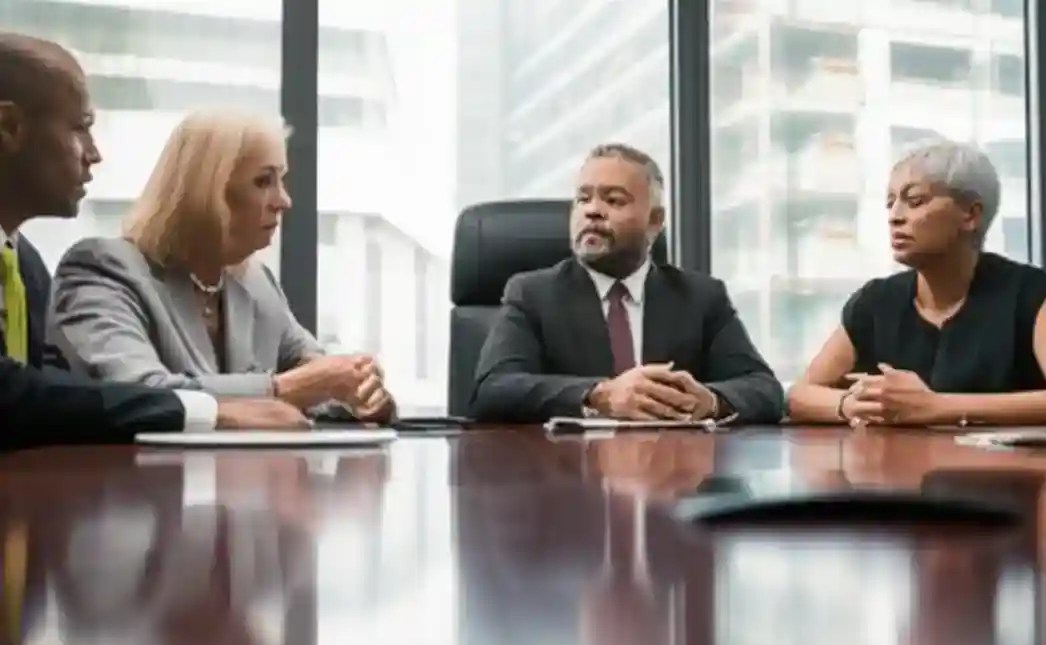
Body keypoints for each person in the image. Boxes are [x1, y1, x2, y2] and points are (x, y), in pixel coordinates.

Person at [0, 31, 306, 449]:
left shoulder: (26, 266)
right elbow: (21, 395)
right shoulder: (103, 269)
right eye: (81, 128)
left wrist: (351, 385)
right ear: (9, 127)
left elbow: (54, 395)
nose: (94, 153)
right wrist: (221, 408)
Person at [48, 109, 394, 421]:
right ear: (207, 191)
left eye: (282, 180)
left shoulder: (255, 281)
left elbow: (313, 373)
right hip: (132, 472)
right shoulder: (103, 270)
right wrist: (283, 389)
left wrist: (359, 392)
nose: (284, 201)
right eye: (263, 181)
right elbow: (139, 395)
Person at [787, 138, 1046, 426]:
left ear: (970, 215)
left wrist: (939, 406)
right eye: (890, 202)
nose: (895, 216)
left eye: (915, 201)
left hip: (1004, 468)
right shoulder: (877, 301)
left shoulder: (1029, 294)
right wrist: (848, 404)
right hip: (897, 467)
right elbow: (800, 395)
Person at [470, 143, 784, 423]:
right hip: (569, 466)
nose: (592, 210)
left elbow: (765, 389)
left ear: (654, 221)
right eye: (583, 198)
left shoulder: (701, 297)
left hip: (673, 465)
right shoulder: (533, 294)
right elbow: (492, 389)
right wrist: (598, 395)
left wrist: (711, 401)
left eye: (614, 200)